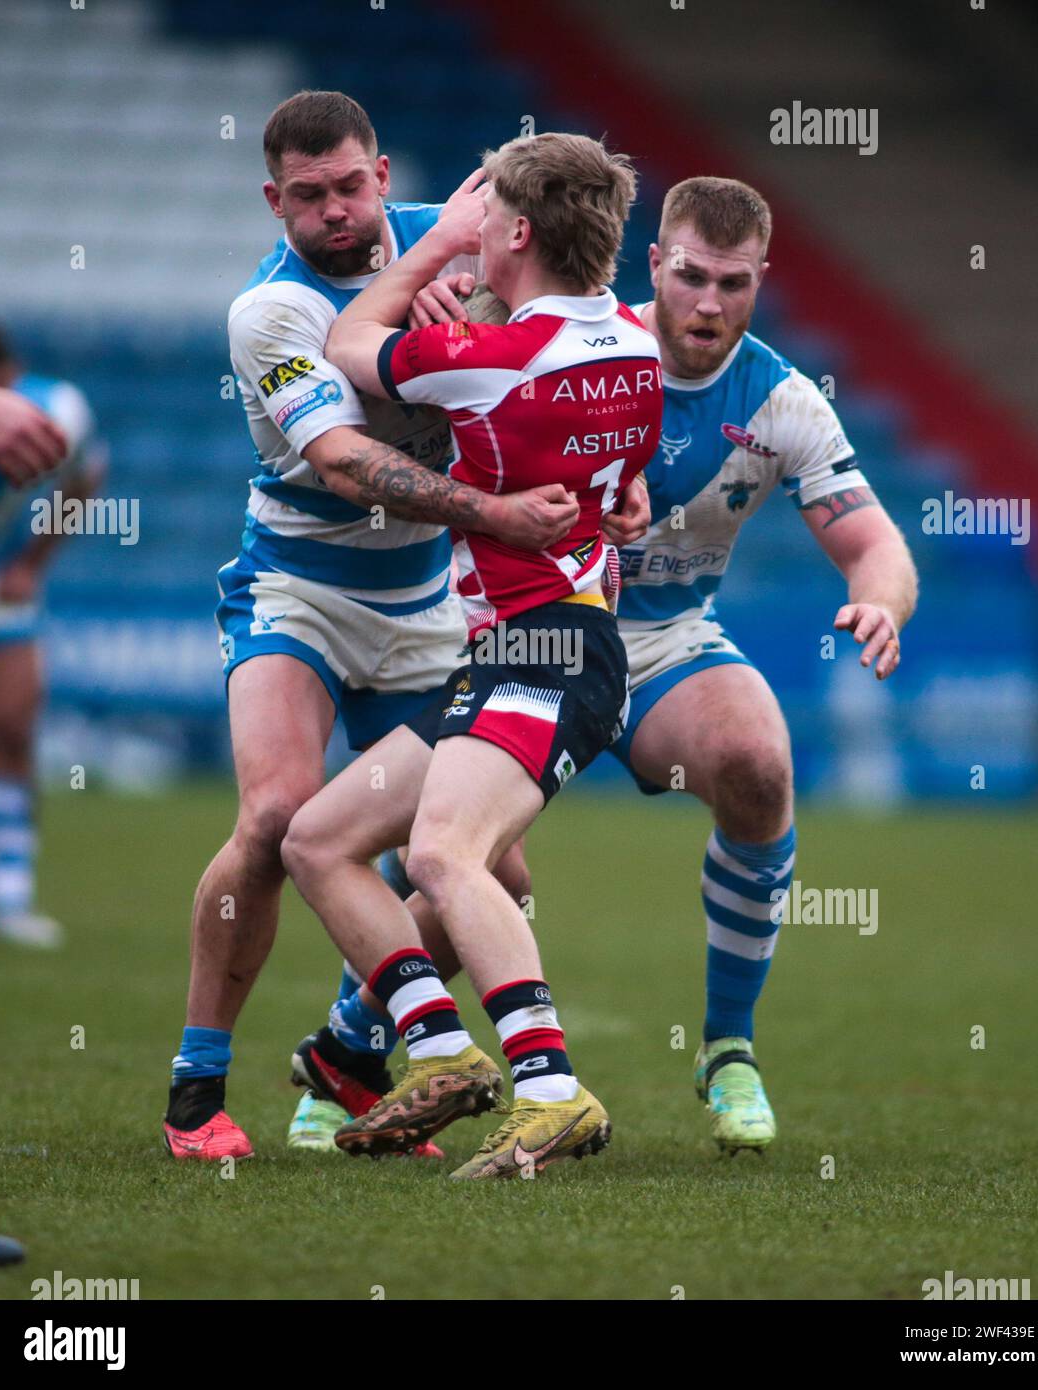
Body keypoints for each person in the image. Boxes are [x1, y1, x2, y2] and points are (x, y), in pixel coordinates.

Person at [330, 174, 920, 1157]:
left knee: (755, 759)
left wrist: (879, 600)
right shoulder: (594, 338)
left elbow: (875, 542)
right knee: (468, 868)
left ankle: (727, 1043)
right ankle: (349, 1051)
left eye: (732, 284)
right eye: (689, 275)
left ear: (760, 281)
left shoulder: (780, 401)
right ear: (653, 264)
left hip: (664, 644)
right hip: (522, 631)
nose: (707, 302)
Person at [161, 91, 592, 1162]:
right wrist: (494, 513)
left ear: (384, 174)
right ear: (275, 201)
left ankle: (349, 1056)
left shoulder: (467, 252)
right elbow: (348, 464)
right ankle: (195, 1088)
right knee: (274, 817)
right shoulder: (270, 314)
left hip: (422, 604)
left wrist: (604, 486)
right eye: (307, 197)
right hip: (297, 587)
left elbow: (552, 364)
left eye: (350, 186)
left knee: (499, 874)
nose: (335, 211)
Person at [280, 132, 662, 1179]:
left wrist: (432, 248)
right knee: (318, 840)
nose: (475, 226)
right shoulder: (635, 340)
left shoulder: (487, 356)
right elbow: (622, 484)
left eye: (487, 214)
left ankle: (548, 1090)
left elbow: (349, 342)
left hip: (544, 648)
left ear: (516, 231)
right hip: (532, 646)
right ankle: (438, 1049)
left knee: (447, 855)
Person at [0, 323, 106, 948]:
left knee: (10, 729)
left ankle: (9, 896)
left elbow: (84, 481)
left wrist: (31, 563)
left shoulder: (55, 411)